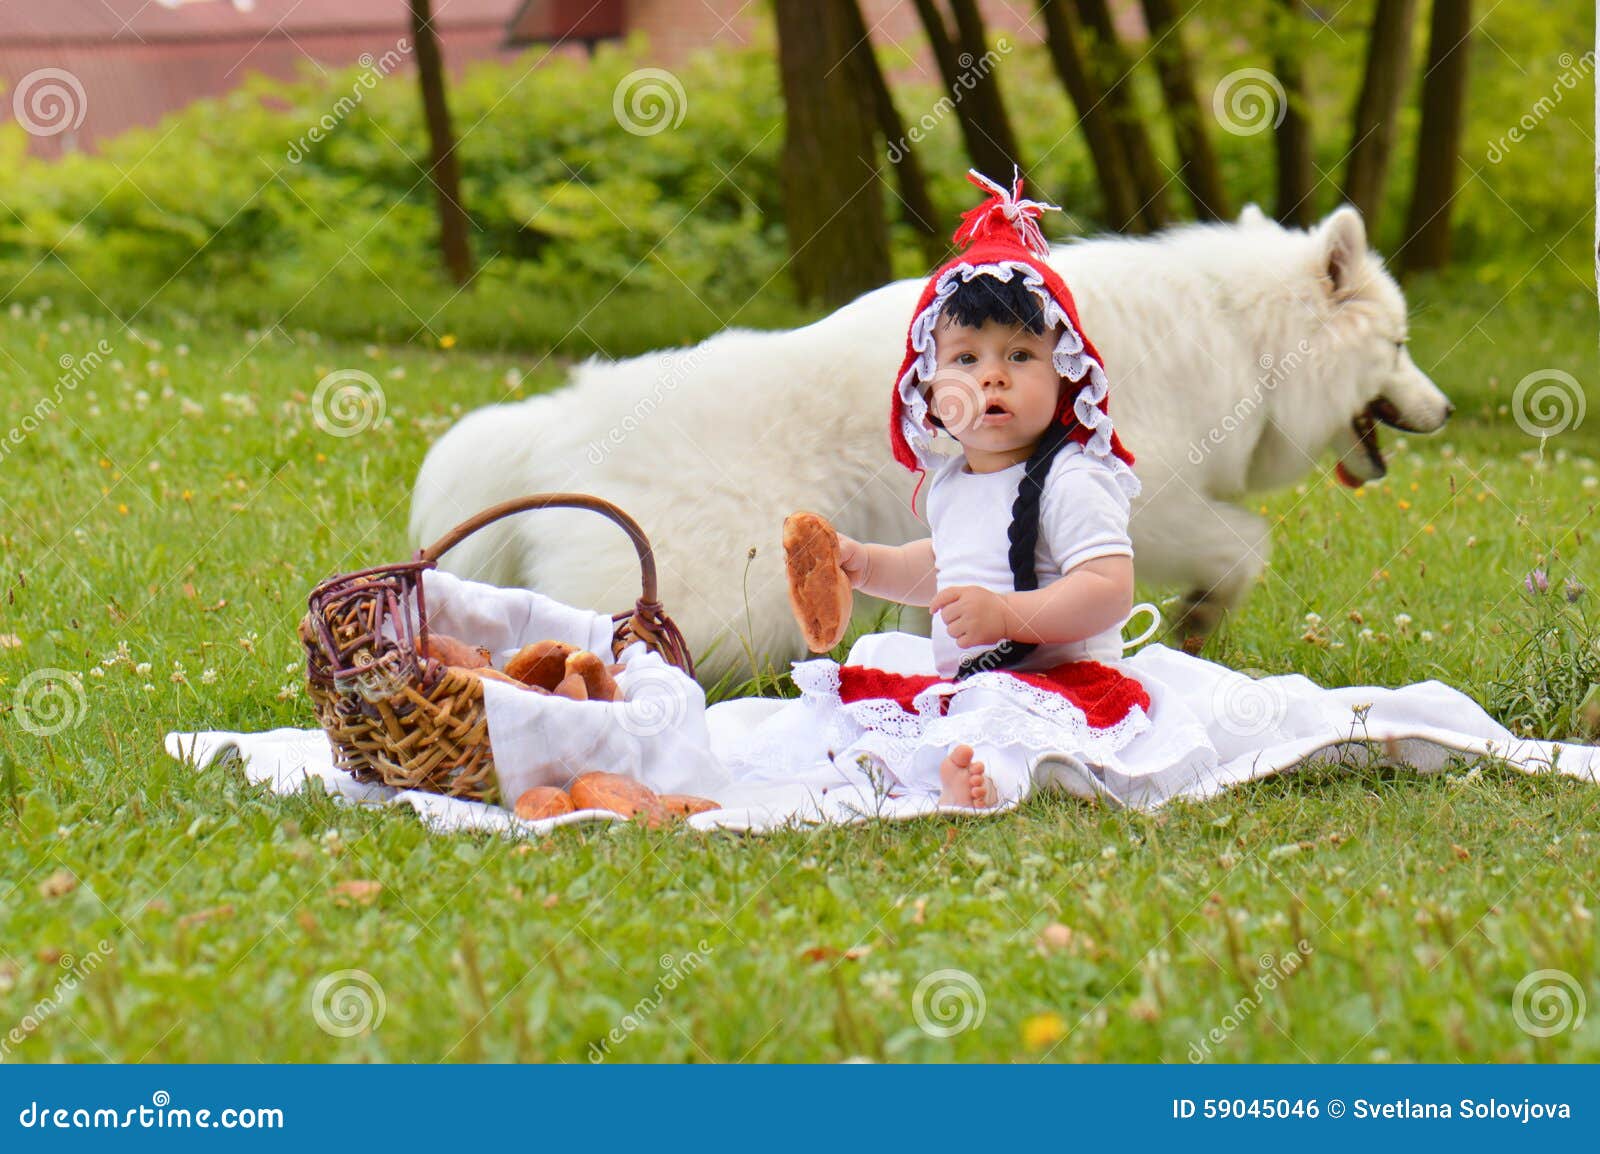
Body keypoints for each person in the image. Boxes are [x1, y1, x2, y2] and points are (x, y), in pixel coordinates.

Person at [768, 169, 1158, 810]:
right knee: (874, 677)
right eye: (967, 360)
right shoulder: (953, 482)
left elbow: (1109, 590)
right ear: (929, 388)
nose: (993, 379)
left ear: (1066, 376)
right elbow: (945, 567)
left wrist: (1007, 616)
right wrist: (868, 565)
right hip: (976, 681)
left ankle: (986, 782)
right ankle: (920, 759)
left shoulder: (1072, 478)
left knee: (1001, 718)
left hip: (1060, 683)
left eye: (1021, 356)